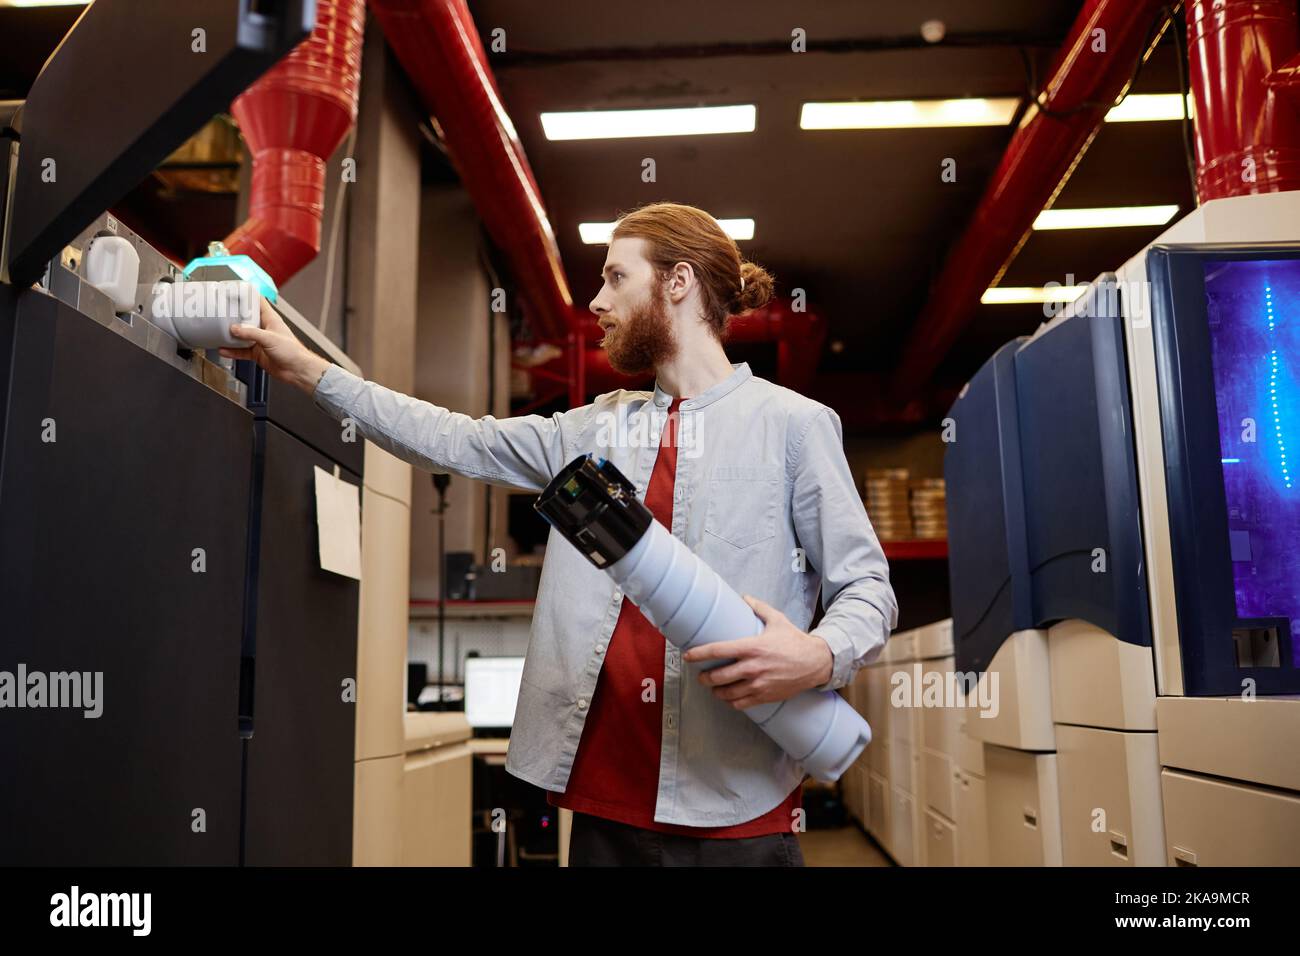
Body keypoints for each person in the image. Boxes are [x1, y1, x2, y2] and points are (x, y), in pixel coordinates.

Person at [222, 201, 898, 867]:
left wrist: (819, 656)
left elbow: (867, 585)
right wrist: (308, 372)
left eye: (615, 277)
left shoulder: (793, 425)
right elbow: (454, 440)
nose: (596, 301)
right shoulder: (591, 429)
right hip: (604, 808)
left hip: (735, 812)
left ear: (678, 282)